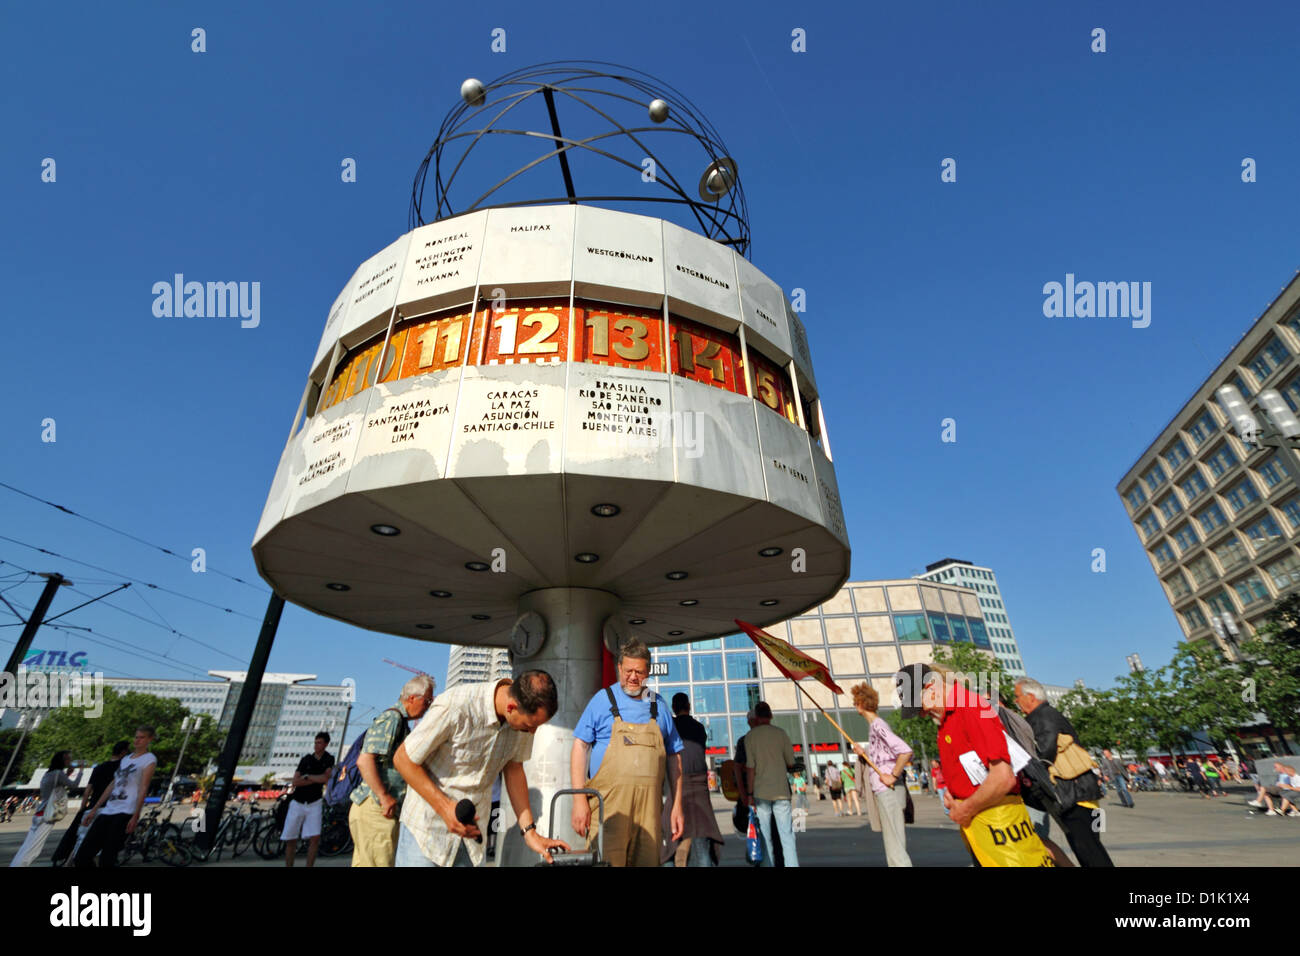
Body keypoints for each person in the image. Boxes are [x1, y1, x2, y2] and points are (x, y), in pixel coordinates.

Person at [394, 670, 569, 866]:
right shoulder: (455, 705)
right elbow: (403, 759)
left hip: (471, 842)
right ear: (511, 707)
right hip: (425, 836)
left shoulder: (521, 721)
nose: (532, 732)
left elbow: (514, 768)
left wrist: (529, 832)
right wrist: (444, 807)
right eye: (530, 725)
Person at [896, 663, 1054, 866]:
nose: (923, 715)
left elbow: (1003, 778)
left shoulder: (970, 707)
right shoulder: (947, 718)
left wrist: (965, 809)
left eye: (921, 707)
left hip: (1000, 827)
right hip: (983, 829)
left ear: (931, 687)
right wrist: (954, 795)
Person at [571, 639, 684, 867]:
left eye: (639, 672)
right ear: (619, 668)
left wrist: (677, 804)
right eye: (628, 671)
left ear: (648, 672)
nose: (633, 677)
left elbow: (674, 757)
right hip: (608, 812)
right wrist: (578, 799)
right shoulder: (602, 700)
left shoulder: (659, 705)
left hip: (649, 815)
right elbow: (579, 747)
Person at [1014, 678, 1113, 867]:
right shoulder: (1050, 714)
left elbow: (1043, 753)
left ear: (1031, 697)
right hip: (1085, 794)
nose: (1016, 701)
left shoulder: (1042, 716)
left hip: (1075, 796)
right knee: (1092, 847)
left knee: (1089, 851)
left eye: (1018, 697)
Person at [348, 674, 434, 867]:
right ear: (412, 698)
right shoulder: (392, 718)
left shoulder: (399, 722)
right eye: (427, 700)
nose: (428, 705)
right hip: (377, 809)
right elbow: (365, 760)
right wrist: (384, 796)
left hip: (376, 809)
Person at [75, 726, 158, 868]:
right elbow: (113, 784)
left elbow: (144, 787)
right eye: (136, 737)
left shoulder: (149, 759)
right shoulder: (125, 759)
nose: (137, 740)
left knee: (107, 857)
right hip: (108, 810)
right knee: (82, 856)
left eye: (141, 737)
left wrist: (135, 816)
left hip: (125, 812)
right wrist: (94, 809)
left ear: (149, 739)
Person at [850, 682, 913, 866]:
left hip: (889, 790)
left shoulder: (878, 725)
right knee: (893, 844)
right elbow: (884, 755)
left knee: (896, 847)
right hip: (885, 790)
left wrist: (892, 775)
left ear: (861, 703)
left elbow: (904, 750)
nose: (855, 706)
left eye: (855, 702)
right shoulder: (875, 727)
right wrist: (864, 754)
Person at [662, 692, 724, 866]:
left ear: (673, 708)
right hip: (699, 789)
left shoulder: (670, 726)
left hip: (676, 785)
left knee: (670, 842)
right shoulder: (698, 728)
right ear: (688, 706)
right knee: (701, 839)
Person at [51, 740, 129, 867]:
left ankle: (71, 861)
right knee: (105, 841)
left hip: (93, 807)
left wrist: (83, 808)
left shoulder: (98, 768)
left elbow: (88, 790)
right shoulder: (123, 766)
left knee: (82, 839)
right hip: (110, 809)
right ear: (123, 752)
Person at [744, 701, 799, 867]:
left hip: (761, 793)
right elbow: (791, 762)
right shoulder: (781, 734)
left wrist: (749, 794)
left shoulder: (750, 737)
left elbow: (750, 768)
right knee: (787, 836)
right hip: (781, 790)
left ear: (756, 717)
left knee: (765, 837)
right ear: (771, 716)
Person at [9, 751, 82, 867]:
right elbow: (73, 785)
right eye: (68, 759)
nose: (70, 762)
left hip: (39, 813)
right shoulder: (58, 773)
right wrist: (80, 772)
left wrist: (67, 774)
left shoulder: (48, 774)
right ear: (62, 761)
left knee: (26, 846)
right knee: (33, 850)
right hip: (47, 816)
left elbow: (55, 785)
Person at [283, 732, 335, 867]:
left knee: (315, 837)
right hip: (298, 801)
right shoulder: (306, 759)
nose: (316, 745)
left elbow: (325, 778)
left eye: (319, 743)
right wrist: (315, 778)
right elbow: (295, 781)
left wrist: (307, 777)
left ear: (326, 744)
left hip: (315, 802)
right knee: (291, 838)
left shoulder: (329, 759)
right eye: (315, 742)